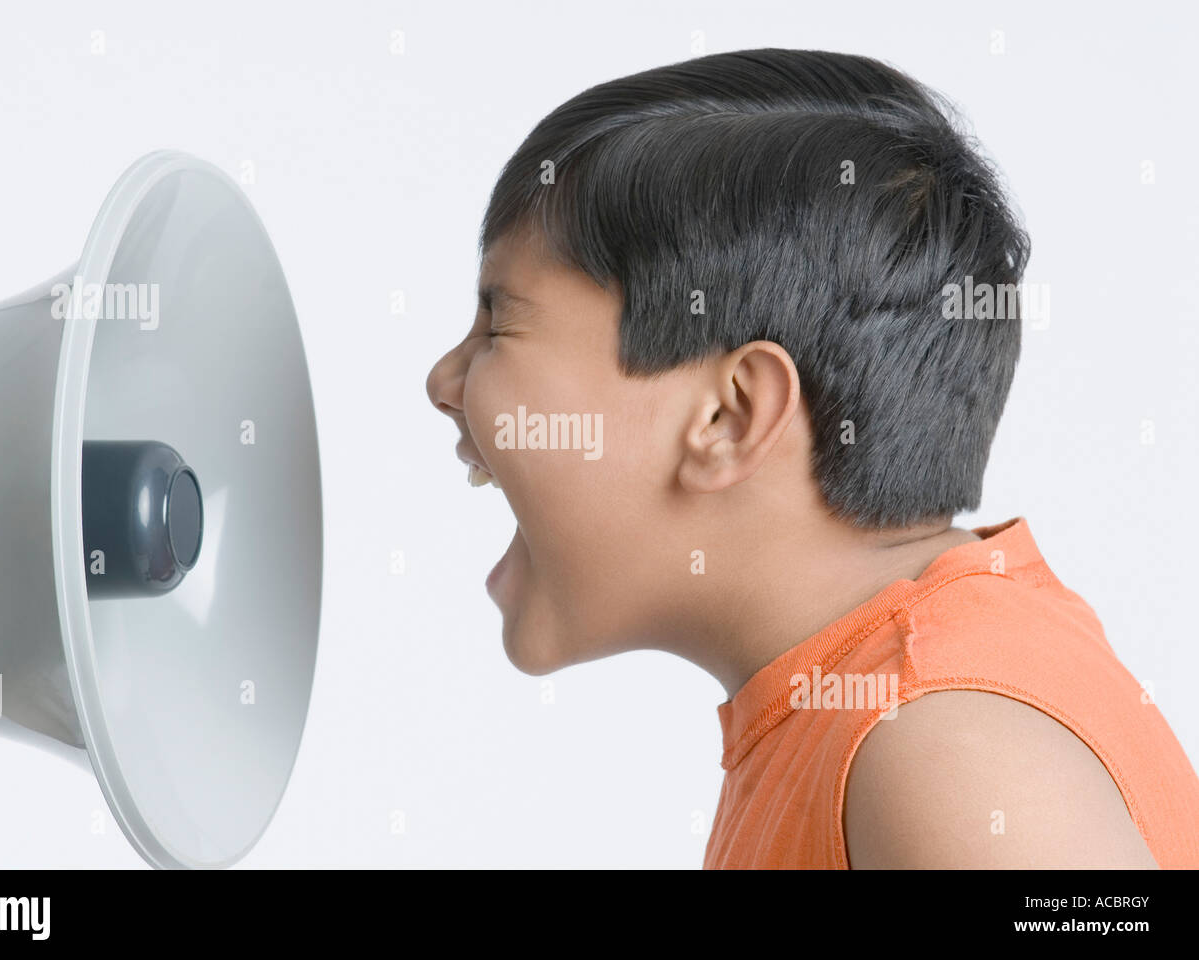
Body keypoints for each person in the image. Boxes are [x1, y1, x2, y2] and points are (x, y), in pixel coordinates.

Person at [426, 48, 1199, 868]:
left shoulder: (945, 744)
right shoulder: (879, 708)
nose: (443, 380)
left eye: (499, 325)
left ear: (731, 415)